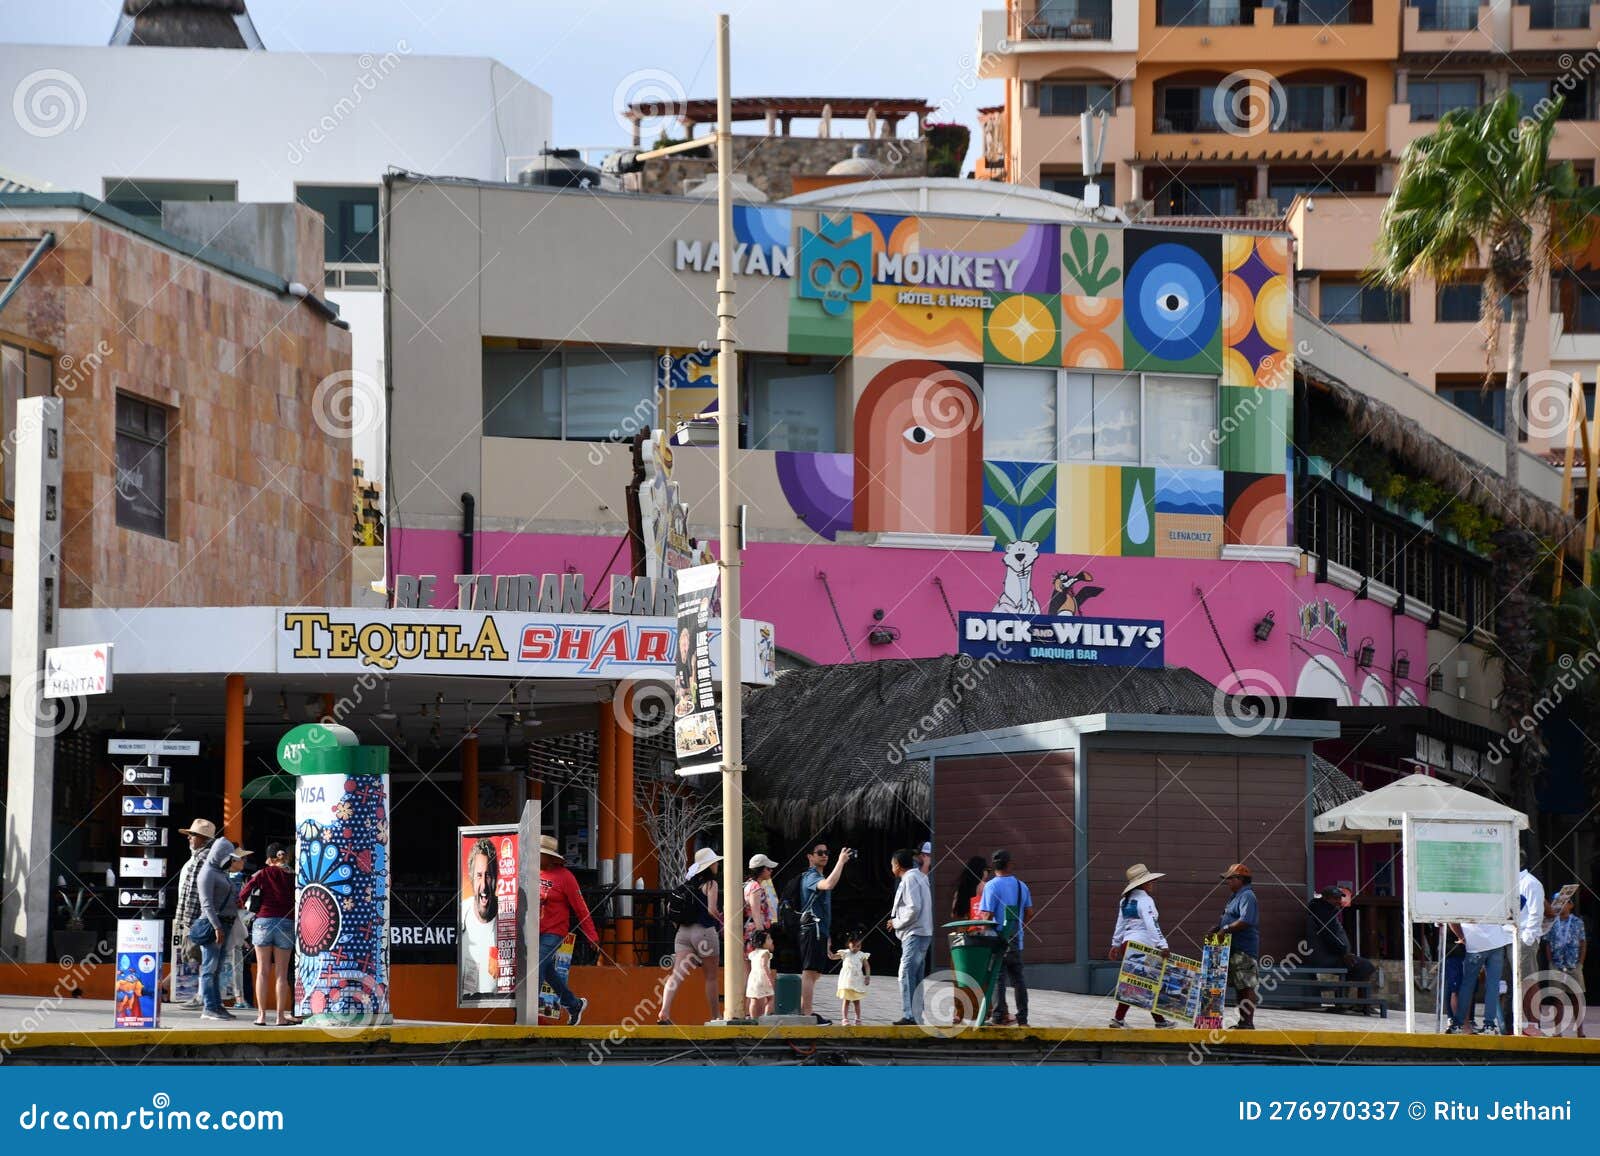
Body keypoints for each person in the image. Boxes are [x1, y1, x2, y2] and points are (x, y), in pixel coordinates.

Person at [539, 834, 599, 1025]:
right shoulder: (531, 871)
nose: (536, 856)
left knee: (536, 965)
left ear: (550, 857)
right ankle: (574, 1004)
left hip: (554, 932)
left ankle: (528, 1013)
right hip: (532, 930)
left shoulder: (566, 877)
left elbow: (581, 908)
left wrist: (592, 936)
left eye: (540, 854)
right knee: (548, 971)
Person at [659, 846, 723, 1025]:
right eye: (715, 862)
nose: (717, 864)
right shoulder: (711, 884)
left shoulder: (685, 885)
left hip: (683, 934)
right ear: (709, 866)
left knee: (676, 975)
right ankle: (715, 1016)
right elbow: (711, 910)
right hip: (704, 932)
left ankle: (664, 1011)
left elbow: (670, 909)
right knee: (711, 977)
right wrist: (722, 918)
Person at [1109, 862, 1176, 1029]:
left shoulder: (1125, 901)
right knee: (1148, 982)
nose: (1152, 884)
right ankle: (1155, 1021)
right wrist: (1162, 945)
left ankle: (1154, 1020)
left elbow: (1121, 923)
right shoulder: (1146, 900)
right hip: (1142, 947)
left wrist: (1115, 944)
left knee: (1136, 982)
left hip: (1127, 945)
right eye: (1149, 881)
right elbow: (1151, 923)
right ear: (1143, 883)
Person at [240, 843, 298, 1026]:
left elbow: (243, 894)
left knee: (263, 972)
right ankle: (281, 1017)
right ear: (285, 857)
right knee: (281, 974)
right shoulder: (294, 876)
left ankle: (261, 1016)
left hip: (263, 922)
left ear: (270, 858)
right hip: (287, 922)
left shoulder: (263, 874)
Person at [799, 841, 853, 1024]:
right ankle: (807, 1014)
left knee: (815, 973)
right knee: (809, 971)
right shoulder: (810, 877)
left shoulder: (817, 875)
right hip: (811, 930)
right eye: (819, 852)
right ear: (810, 857)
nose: (824, 855)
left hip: (819, 931)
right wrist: (841, 861)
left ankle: (805, 1010)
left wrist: (827, 936)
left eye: (826, 852)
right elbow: (829, 884)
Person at [979, 849, 1033, 1027]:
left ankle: (998, 1016)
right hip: (1016, 938)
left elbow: (987, 915)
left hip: (997, 939)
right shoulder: (1021, 886)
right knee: (1018, 979)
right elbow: (1029, 912)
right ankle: (1023, 1018)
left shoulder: (991, 886)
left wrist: (980, 928)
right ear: (1010, 864)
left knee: (998, 977)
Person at [1305, 885, 1378, 1008]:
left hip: (1328, 954)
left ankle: (1346, 1002)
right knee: (1366, 966)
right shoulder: (1323, 912)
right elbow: (1329, 936)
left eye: (1340, 898)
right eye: (1335, 898)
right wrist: (1344, 953)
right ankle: (1357, 1004)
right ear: (1326, 898)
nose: (1339, 901)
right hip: (1325, 957)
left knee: (1357, 967)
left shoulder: (1323, 910)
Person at [192, 836, 239, 1020]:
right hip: (214, 925)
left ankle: (217, 1005)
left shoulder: (219, 872)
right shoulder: (207, 873)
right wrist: (217, 927)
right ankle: (209, 1007)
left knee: (217, 968)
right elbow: (207, 905)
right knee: (209, 968)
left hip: (225, 924)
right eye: (227, 855)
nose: (229, 859)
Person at [172, 818, 216, 1009]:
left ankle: (204, 997)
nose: (189, 838)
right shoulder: (199, 857)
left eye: (193, 835)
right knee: (201, 958)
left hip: (200, 917)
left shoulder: (203, 858)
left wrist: (189, 920)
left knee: (203, 957)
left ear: (202, 838)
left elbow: (195, 892)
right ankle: (204, 996)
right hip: (200, 917)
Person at [886, 847, 933, 1025]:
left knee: (905, 973)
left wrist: (896, 922)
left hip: (914, 933)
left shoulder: (910, 878)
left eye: (892, 864)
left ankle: (909, 1015)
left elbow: (914, 908)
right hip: (922, 932)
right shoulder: (920, 876)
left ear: (897, 865)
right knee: (916, 975)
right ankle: (917, 1014)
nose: (892, 867)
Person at [1215, 863, 1260, 1030]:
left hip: (1244, 949)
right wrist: (1216, 928)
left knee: (1246, 985)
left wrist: (1225, 929)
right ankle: (1243, 1021)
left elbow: (1246, 920)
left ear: (1240, 879)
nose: (1227, 882)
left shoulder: (1247, 896)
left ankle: (1248, 1022)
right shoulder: (1235, 896)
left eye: (1230, 878)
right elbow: (1226, 918)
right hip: (1233, 948)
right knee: (1239, 987)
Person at [1447, 916, 1511, 1034]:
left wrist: (1462, 937)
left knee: (1467, 985)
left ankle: (1458, 1024)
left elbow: (1452, 920)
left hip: (1474, 944)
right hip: (1497, 941)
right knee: (1493, 985)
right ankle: (1489, 1025)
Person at [459, 836, 501, 999]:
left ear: (496, 878)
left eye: (488, 875)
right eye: (479, 875)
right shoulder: (463, 911)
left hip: (496, 1006)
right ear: (470, 878)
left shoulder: (506, 917)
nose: (484, 885)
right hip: (465, 1005)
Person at [1544, 891, 1587, 1037]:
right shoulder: (1551, 922)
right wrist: (1550, 962)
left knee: (1577, 998)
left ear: (1571, 905)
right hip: (1557, 965)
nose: (1561, 906)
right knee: (1558, 999)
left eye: (1564, 902)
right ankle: (1557, 1031)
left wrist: (1580, 963)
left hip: (1573, 965)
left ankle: (1580, 1031)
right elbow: (1548, 944)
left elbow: (1583, 943)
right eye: (1557, 902)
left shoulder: (1577, 922)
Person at [1515, 859, 1548, 1035]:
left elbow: (1536, 914)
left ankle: (1534, 1025)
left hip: (1524, 939)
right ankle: (1521, 1023)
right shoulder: (1512, 881)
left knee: (1529, 981)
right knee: (1517, 983)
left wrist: (1527, 940)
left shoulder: (1531, 883)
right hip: (1510, 938)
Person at [829, 930, 871, 1026]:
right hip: (846, 982)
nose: (856, 948)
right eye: (854, 946)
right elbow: (833, 957)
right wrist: (828, 951)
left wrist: (867, 976)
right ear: (849, 944)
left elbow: (867, 966)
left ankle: (858, 1018)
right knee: (846, 1000)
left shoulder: (862, 955)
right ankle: (845, 1019)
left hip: (857, 981)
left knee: (857, 1001)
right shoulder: (845, 953)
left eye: (858, 946)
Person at [746, 928, 776, 1019]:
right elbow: (764, 966)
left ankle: (753, 1019)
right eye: (768, 938)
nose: (771, 940)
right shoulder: (765, 953)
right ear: (762, 942)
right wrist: (770, 979)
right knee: (771, 998)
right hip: (763, 978)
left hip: (753, 979)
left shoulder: (753, 954)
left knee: (753, 1000)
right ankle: (766, 1017)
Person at [952, 855, 989, 922]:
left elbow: (954, 914)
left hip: (965, 927)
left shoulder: (961, 889)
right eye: (987, 870)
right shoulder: (985, 887)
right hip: (981, 927)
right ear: (982, 871)